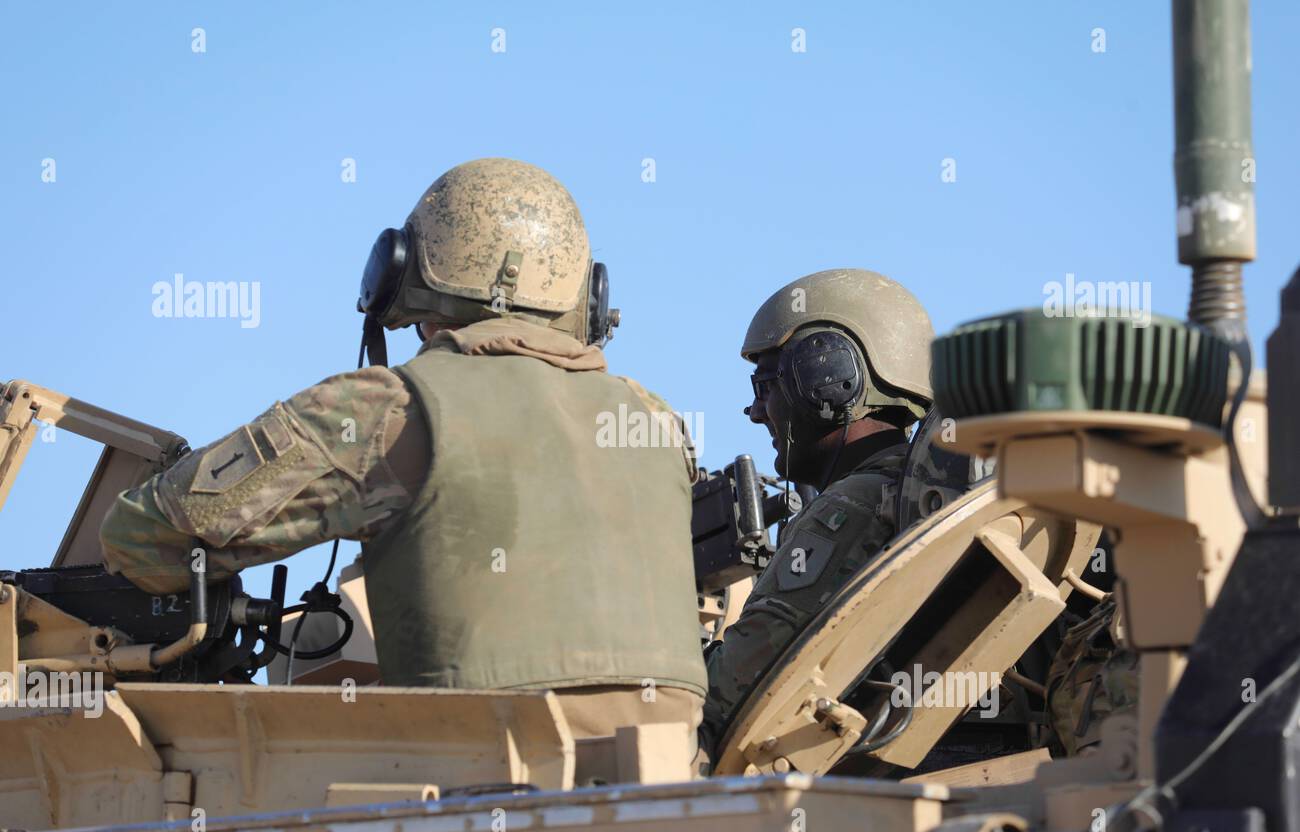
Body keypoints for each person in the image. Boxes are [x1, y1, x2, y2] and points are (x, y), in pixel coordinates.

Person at [100, 157, 707, 745]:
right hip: (671, 796)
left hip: (476, 790)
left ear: (400, 275)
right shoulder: (657, 421)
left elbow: (141, 537)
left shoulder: (385, 409)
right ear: (587, 298)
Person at [701, 268, 935, 762]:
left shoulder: (852, 508)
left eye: (765, 386)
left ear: (826, 380)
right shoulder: (905, 495)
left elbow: (725, 698)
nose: (755, 411)